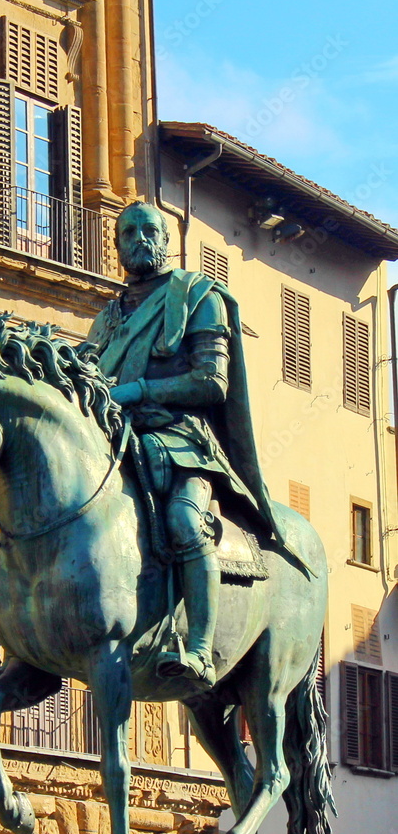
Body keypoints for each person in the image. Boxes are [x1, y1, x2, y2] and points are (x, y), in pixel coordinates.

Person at [87, 202, 290, 690]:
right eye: (128, 231)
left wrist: (141, 391)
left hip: (180, 439)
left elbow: (211, 382)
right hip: (117, 436)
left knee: (182, 520)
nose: (139, 238)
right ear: (116, 244)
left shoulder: (199, 295)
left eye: (149, 230)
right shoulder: (109, 316)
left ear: (166, 240)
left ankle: (199, 647)